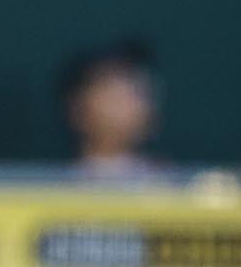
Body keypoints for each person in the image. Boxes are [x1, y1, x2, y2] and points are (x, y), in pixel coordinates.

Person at [56, 39, 165, 181]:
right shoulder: (57, 187)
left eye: (138, 89)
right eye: (113, 90)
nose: (134, 101)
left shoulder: (169, 185)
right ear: (77, 107)